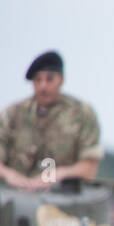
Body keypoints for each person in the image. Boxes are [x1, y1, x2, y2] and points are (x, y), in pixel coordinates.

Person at [0, 51, 103, 191]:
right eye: (38, 80)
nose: (43, 86)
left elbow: (89, 167)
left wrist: (59, 174)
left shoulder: (81, 114)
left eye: (49, 79)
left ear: (61, 80)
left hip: (63, 196)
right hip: (14, 195)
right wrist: (10, 176)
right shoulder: (12, 114)